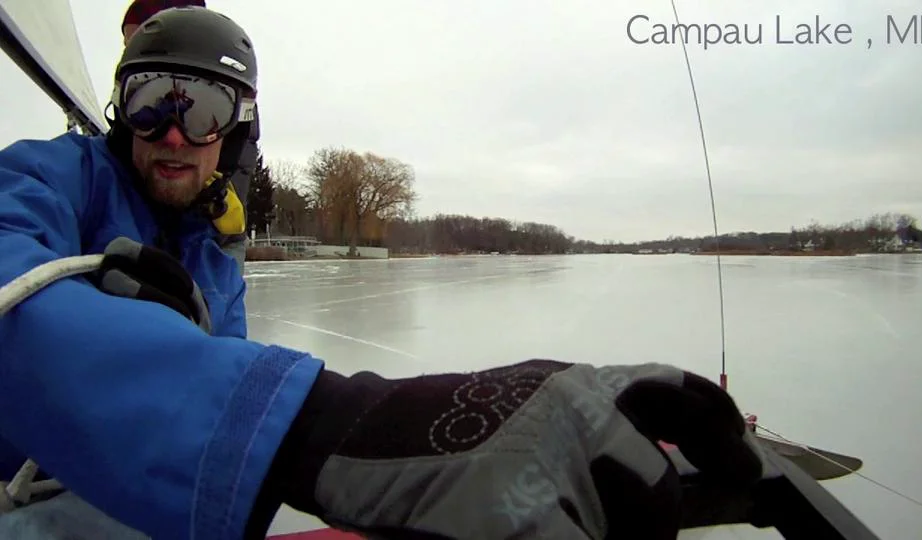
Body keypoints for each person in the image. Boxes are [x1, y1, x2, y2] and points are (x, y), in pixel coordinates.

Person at [0, 6, 763, 539]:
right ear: (115, 110)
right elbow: (11, 284)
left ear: (237, 130)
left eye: (201, 108)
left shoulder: (210, 249)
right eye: (148, 102)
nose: (173, 132)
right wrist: (328, 431)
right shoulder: (50, 178)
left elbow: (217, 371)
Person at [122, 0, 258, 273]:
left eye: (206, 121)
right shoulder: (77, 177)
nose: (174, 138)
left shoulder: (218, 270)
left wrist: (220, 204)